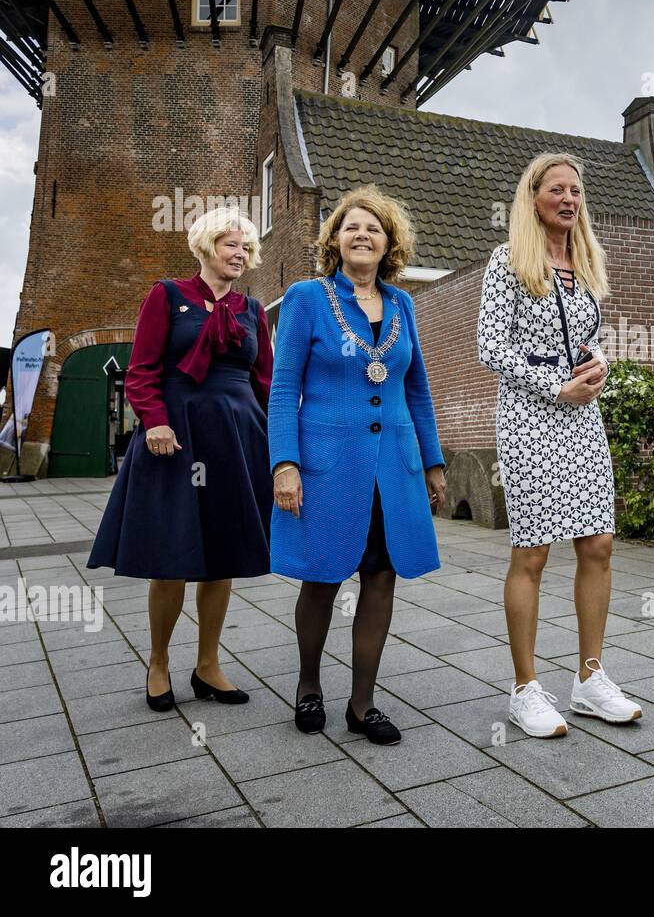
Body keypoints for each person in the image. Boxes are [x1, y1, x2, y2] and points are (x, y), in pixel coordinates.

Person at [269, 185, 447, 746]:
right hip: (326, 466)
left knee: (381, 576)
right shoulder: (306, 298)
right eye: (351, 227)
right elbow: (281, 390)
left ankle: (363, 703)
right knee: (321, 577)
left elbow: (416, 389)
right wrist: (284, 464)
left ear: (389, 242)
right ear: (336, 240)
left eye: (373, 227)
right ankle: (308, 687)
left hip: (392, 468)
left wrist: (433, 463)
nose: (362, 234)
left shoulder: (403, 305)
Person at [477, 152, 642, 739]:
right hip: (530, 417)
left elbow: (591, 340)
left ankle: (590, 680)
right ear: (534, 196)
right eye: (557, 190)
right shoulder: (507, 261)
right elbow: (491, 347)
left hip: (583, 418)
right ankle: (525, 688)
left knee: (597, 543)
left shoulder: (587, 262)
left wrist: (600, 368)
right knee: (534, 552)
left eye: (576, 191)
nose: (569, 199)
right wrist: (556, 385)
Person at [88, 207, 272, 711]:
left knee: (222, 557)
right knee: (169, 557)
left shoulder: (252, 311)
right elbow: (141, 371)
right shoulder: (167, 296)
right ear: (206, 245)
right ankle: (159, 662)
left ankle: (208, 665)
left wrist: (281, 443)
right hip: (174, 440)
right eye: (231, 244)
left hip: (236, 440)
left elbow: (265, 382)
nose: (240, 254)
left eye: (246, 248)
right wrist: (155, 421)